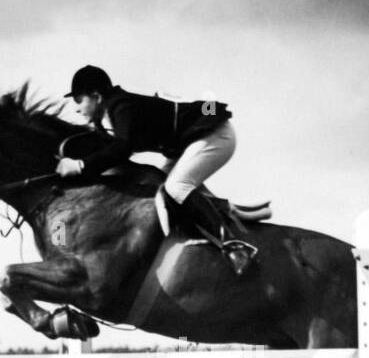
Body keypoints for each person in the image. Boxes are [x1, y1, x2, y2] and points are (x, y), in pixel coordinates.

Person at [56, 65, 254, 274]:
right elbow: (107, 154)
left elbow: (122, 149)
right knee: (162, 189)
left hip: (214, 133)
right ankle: (221, 214)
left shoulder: (122, 107)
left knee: (176, 187)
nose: (76, 108)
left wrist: (80, 166)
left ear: (96, 96)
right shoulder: (106, 118)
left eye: (79, 100)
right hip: (189, 142)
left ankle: (236, 248)